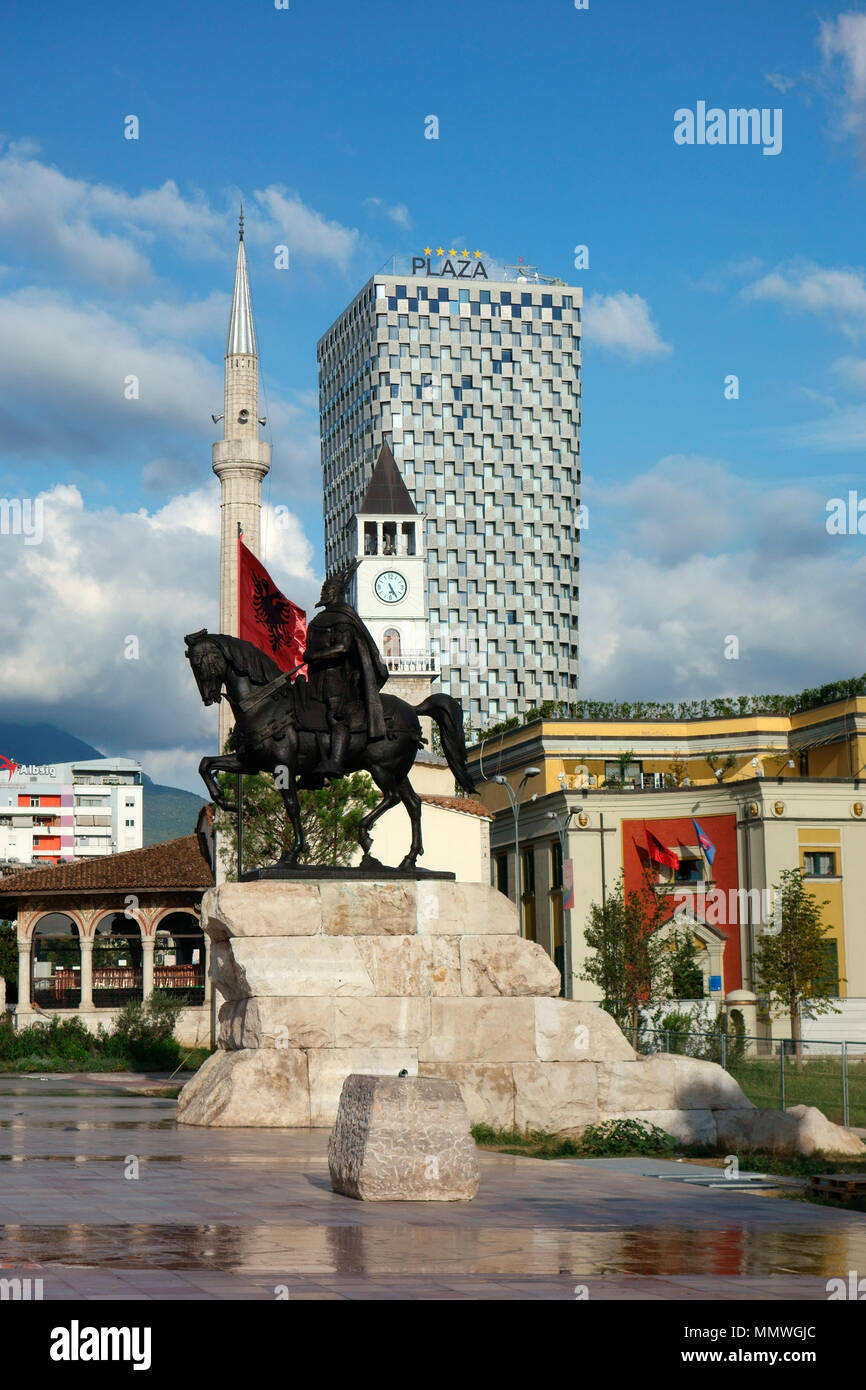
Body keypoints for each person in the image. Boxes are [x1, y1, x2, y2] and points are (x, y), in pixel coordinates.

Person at [303, 560, 389, 779]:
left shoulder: (344, 618)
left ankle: (336, 762)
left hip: (337, 679)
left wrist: (314, 655)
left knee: (335, 716)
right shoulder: (317, 621)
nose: (325, 593)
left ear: (338, 592)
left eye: (329, 590)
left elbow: (342, 648)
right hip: (316, 677)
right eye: (324, 589)